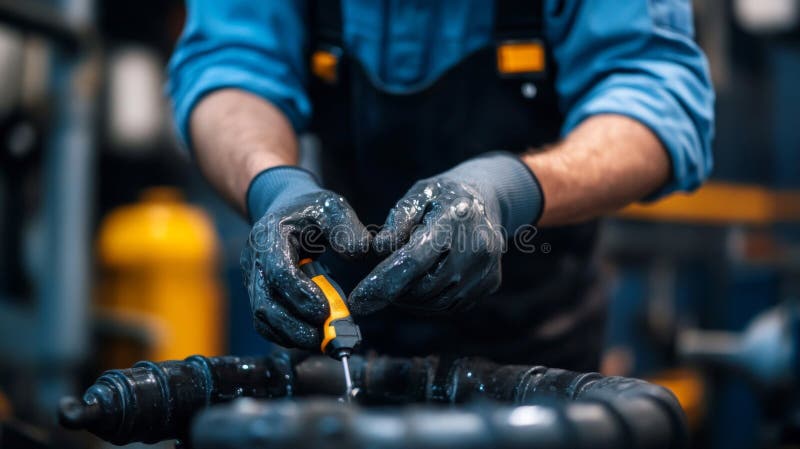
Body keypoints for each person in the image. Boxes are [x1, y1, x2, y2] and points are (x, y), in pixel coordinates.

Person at [168, 0, 714, 370]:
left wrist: (508, 188)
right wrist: (272, 184)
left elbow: (656, 95)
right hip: (334, 350)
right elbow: (232, 62)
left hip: (539, 353)